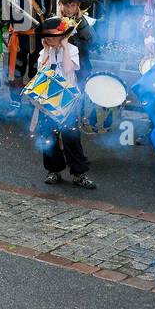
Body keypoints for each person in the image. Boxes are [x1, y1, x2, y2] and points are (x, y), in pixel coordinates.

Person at [34, 15, 96, 189]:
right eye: (46, 36)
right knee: (48, 135)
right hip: (48, 97)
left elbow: (69, 68)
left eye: (52, 36)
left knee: (71, 136)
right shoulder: (44, 51)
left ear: (62, 36)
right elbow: (41, 70)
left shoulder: (72, 49)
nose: (48, 39)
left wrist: (64, 47)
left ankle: (79, 174)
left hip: (67, 98)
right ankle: (53, 170)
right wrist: (47, 50)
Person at [4, 0, 49, 114]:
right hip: (16, 37)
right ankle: (16, 104)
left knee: (36, 70)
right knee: (16, 71)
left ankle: (33, 104)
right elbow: (5, 11)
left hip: (37, 38)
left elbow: (48, 13)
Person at [58, 0, 95, 75]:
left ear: (78, 6)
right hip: (59, 66)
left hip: (81, 66)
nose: (69, 9)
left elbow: (92, 41)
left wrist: (81, 21)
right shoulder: (53, 21)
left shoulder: (84, 21)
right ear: (60, 4)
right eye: (66, 5)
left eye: (73, 5)